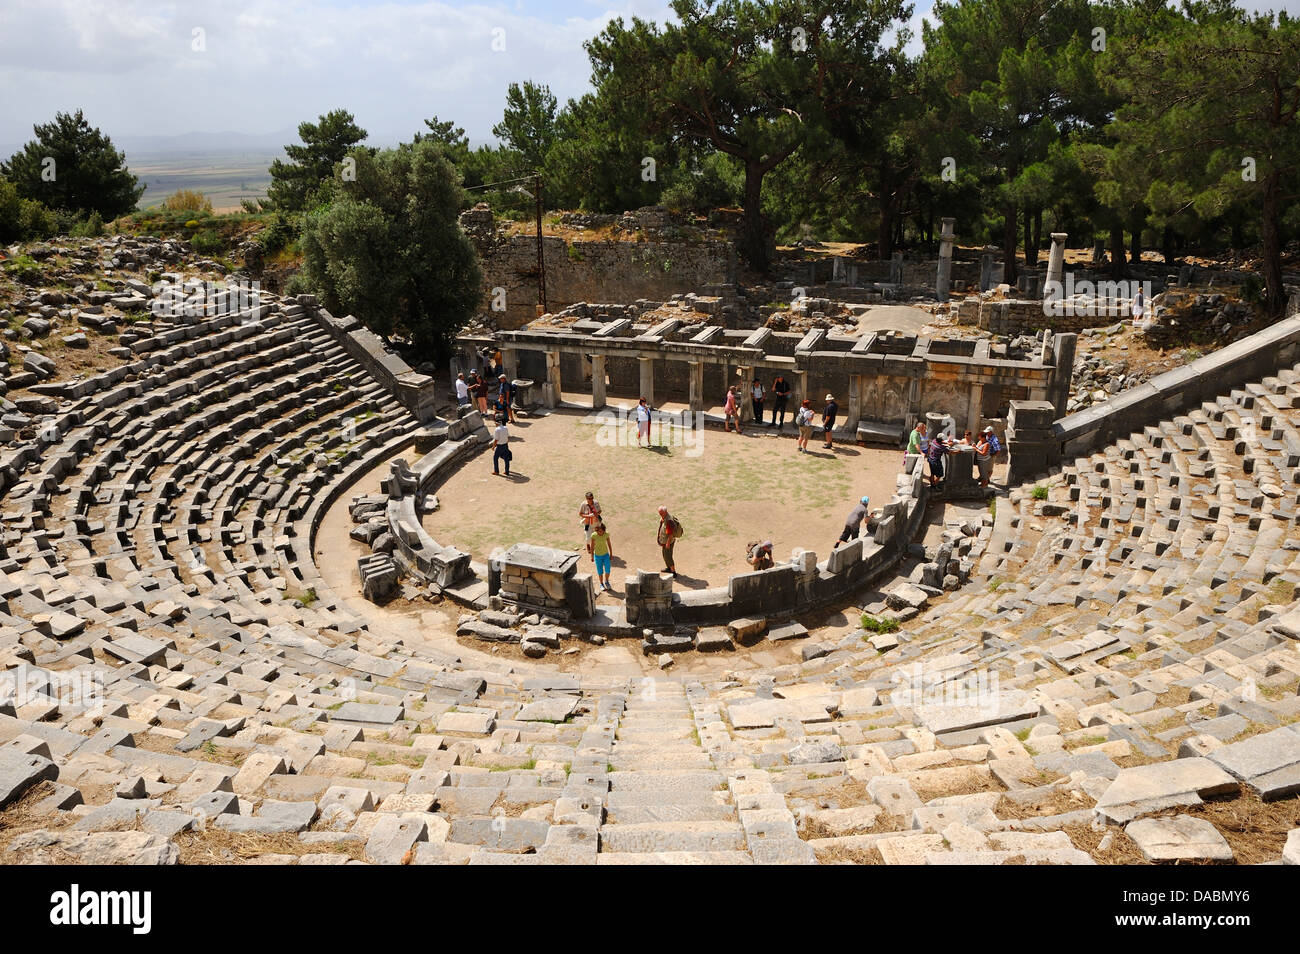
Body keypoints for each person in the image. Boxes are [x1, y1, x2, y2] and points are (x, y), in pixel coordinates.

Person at [588, 521, 613, 590]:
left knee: (608, 570)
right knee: (600, 571)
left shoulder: (606, 535)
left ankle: (606, 581)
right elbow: (592, 546)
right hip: (597, 556)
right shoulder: (594, 535)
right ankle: (601, 584)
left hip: (605, 555)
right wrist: (592, 556)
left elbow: (609, 545)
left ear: (604, 530)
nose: (600, 533)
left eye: (601, 531)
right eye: (599, 531)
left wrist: (611, 554)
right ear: (597, 530)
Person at [656, 506, 680, 577]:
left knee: (668, 557)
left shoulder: (669, 521)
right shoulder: (665, 518)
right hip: (665, 542)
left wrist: (668, 543)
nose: (660, 514)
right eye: (659, 513)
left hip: (668, 542)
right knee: (665, 555)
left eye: (661, 513)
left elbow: (670, 534)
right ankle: (669, 568)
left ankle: (673, 572)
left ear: (665, 512)